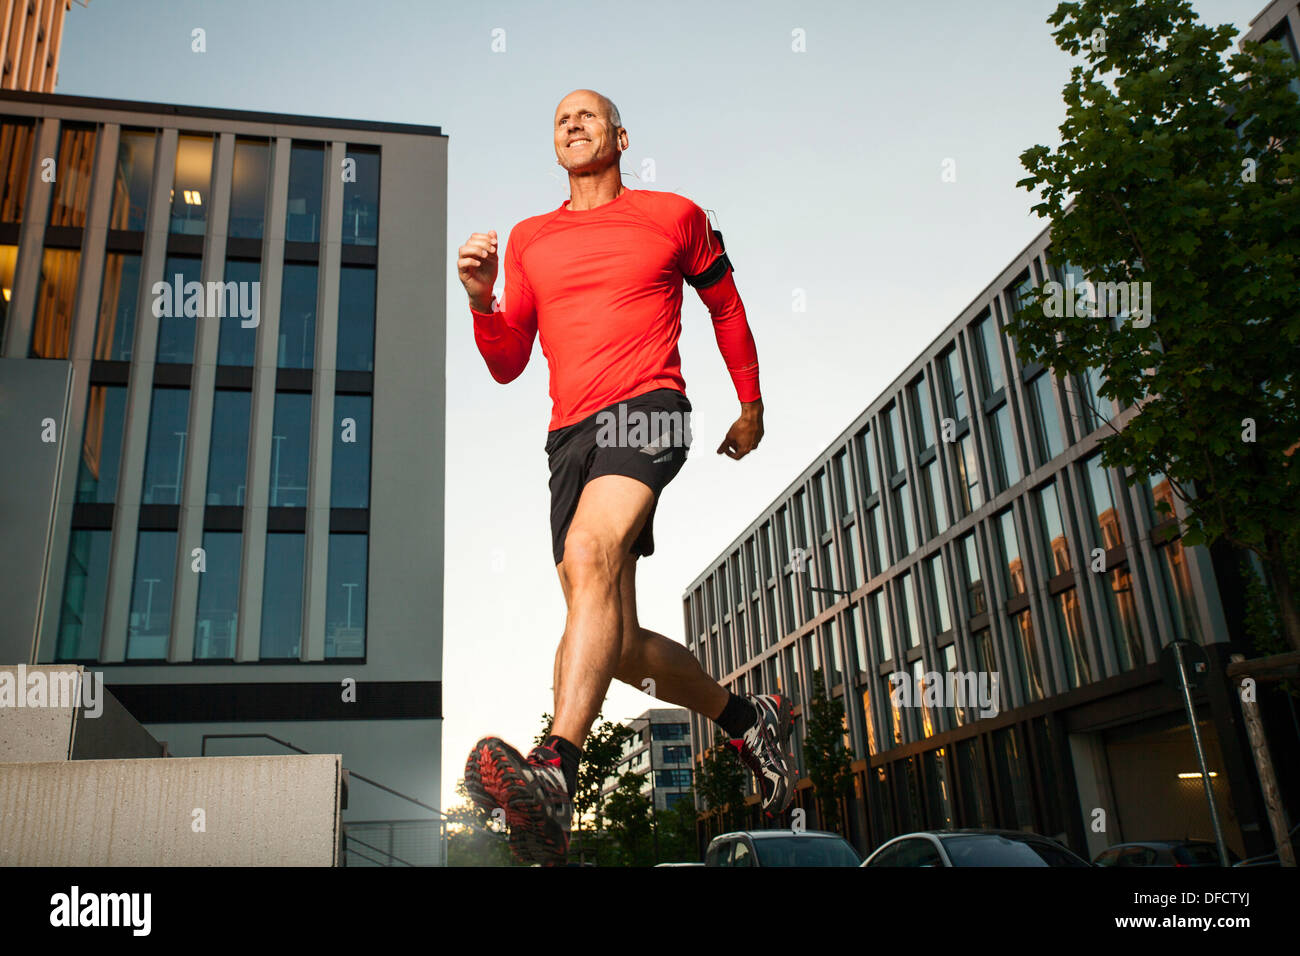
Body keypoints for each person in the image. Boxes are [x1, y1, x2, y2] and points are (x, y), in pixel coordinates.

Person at [458, 89, 795, 865]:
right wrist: (482, 302)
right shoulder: (531, 240)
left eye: (588, 115)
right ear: (555, 145)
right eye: (559, 119)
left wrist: (751, 404)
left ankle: (555, 773)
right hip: (568, 438)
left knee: (589, 556)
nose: (572, 124)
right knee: (615, 638)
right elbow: (509, 363)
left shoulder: (674, 215)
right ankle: (748, 720)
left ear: (620, 136)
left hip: (650, 408)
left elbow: (727, 307)